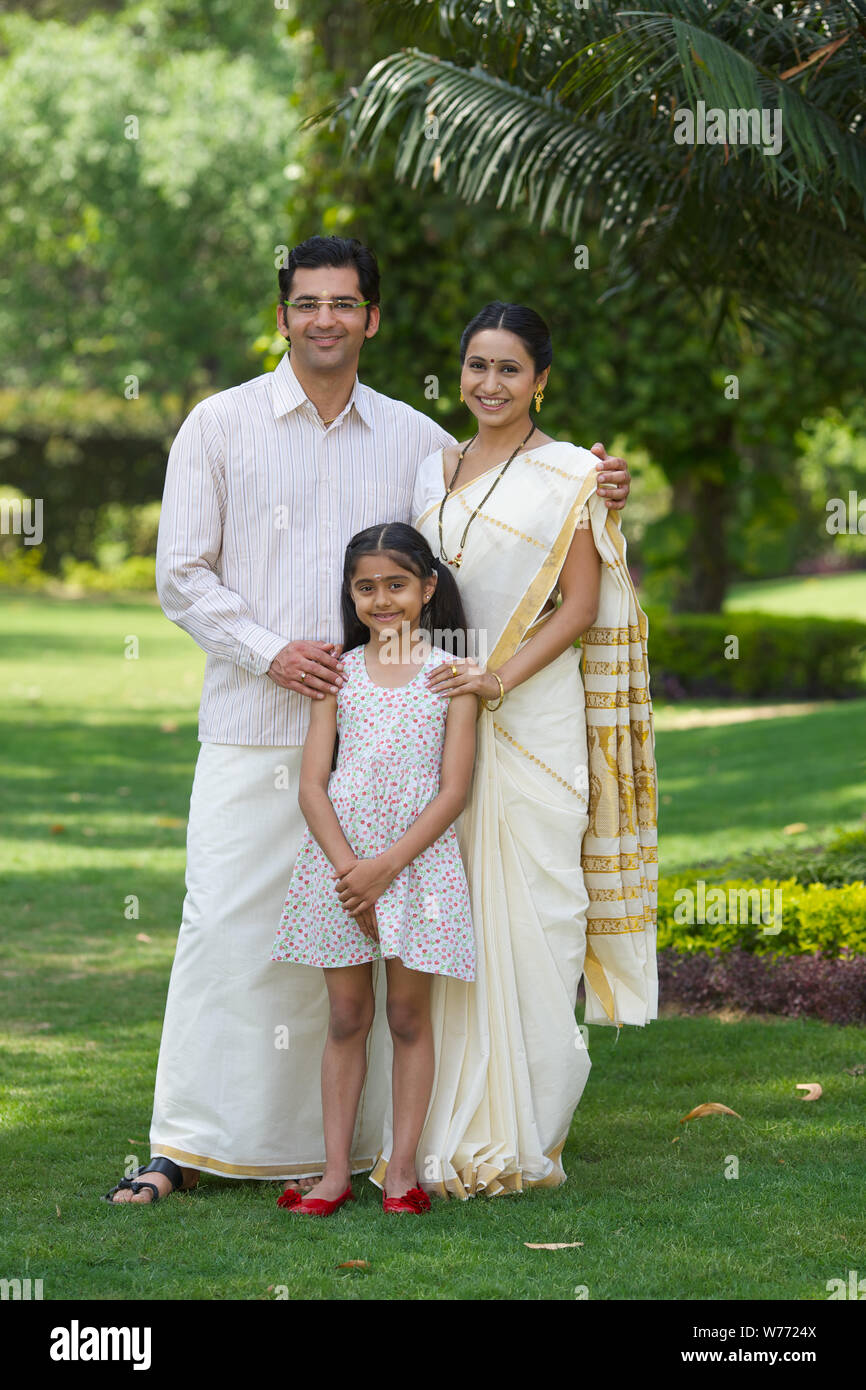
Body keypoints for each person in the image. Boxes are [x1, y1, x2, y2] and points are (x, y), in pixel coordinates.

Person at [103, 235, 632, 1205]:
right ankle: (183, 1143)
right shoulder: (217, 425)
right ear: (282, 315)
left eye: (343, 303)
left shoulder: (415, 442)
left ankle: (367, 1151)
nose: (324, 319)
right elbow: (178, 574)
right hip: (254, 721)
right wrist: (273, 652)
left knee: (373, 953)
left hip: (393, 747)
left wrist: (592, 485)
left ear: (371, 318)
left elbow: (500, 501)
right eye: (306, 303)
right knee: (226, 927)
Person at [383, 301, 658, 1199]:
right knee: (446, 921)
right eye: (476, 366)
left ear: (542, 379)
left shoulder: (572, 474)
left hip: (531, 720)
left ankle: (525, 1135)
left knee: (537, 918)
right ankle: (437, 1132)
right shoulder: (432, 468)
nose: (489, 385)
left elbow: (578, 606)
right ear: (457, 374)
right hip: (445, 712)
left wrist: (497, 681)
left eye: (509, 369)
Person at [271, 524, 476, 1215]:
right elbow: (311, 785)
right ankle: (333, 1175)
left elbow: (454, 792)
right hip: (340, 869)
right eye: (367, 586)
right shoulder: (339, 673)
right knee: (347, 1016)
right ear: (351, 593)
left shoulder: (452, 678)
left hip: (415, 867)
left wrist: (386, 869)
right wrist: (350, 870)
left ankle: (402, 1175)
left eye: (395, 584)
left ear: (427, 588)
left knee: (409, 1016)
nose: (381, 598)